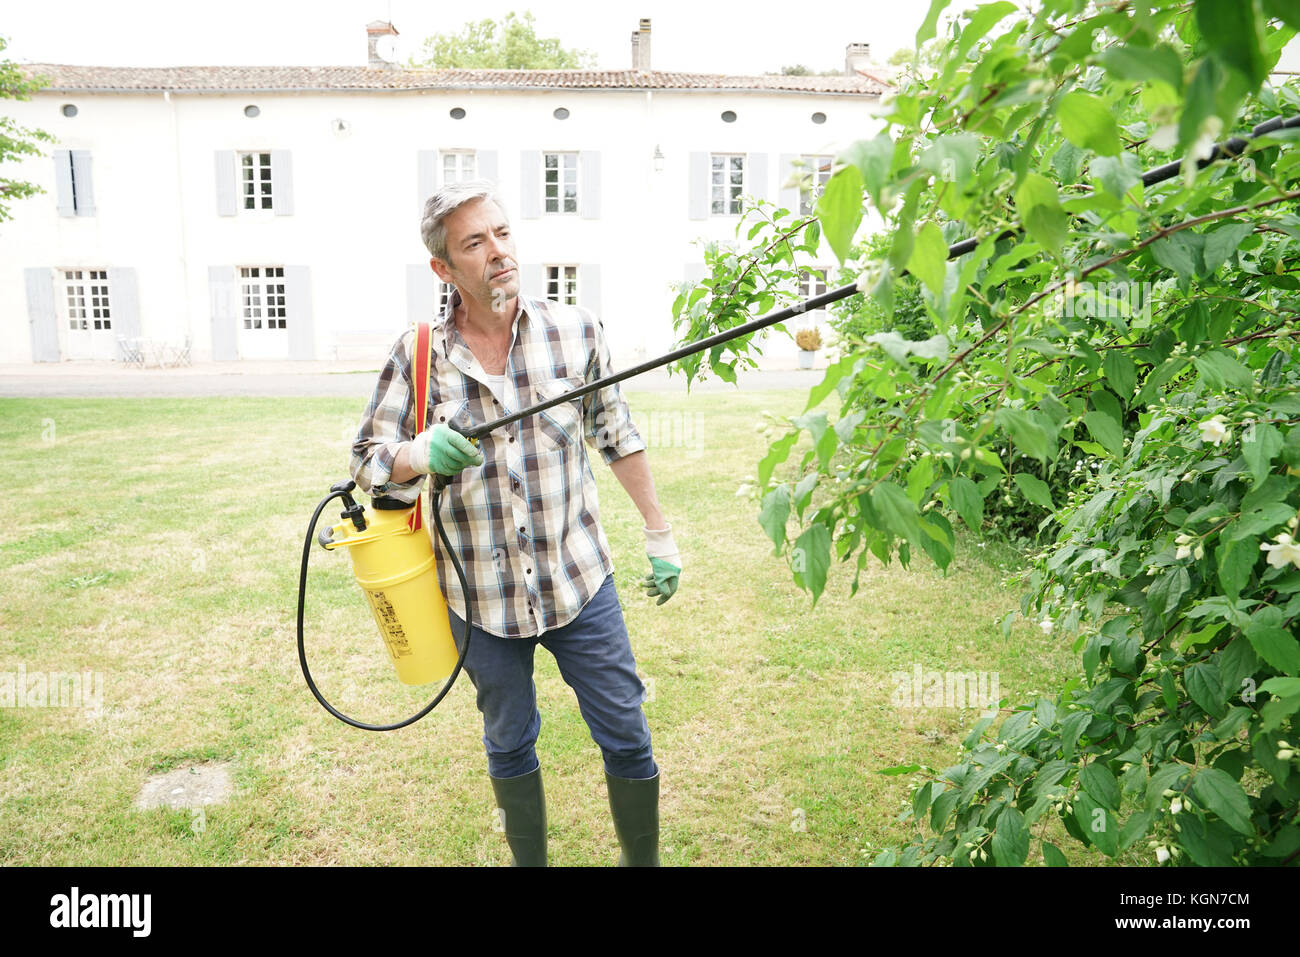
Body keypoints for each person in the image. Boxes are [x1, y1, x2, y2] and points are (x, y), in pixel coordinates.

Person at [348, 179, 681, 866]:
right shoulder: (417, 356)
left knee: (626, 731)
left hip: (578, 578)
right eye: (475, 242)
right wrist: (415, 451)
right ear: (443, 268)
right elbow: (367, 459)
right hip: (479, 598)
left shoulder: (575, 330)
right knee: (508, 739)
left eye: (502, 233)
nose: (498, 251)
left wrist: (659, 532)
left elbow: (615, 431)